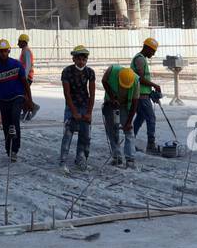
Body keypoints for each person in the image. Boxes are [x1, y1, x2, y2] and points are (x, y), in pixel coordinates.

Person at [0, 39, 34, 161]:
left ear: (9, 51)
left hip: (17, 97)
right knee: (6, 125)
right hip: (3, 100)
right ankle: (8, 148)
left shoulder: (16, 64)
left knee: (15, 119)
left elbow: (25, 83)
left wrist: (29, 100)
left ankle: (15, 149)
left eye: (5, 51)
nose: (3, 53)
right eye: (1, 51)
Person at [59, 45, 95, 173]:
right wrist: (73, 112)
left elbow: (92, 93)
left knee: (85, 135)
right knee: (68, 133)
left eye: (84, 59)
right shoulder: (67, 72)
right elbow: (67, 94)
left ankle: (80, 159)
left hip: (84, 105)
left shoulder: (90, 72)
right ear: (73, 59)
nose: (81, 62)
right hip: (71, 105)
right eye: (79, 59)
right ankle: (62, 162)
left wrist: (89, 112)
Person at [101, 65, 139, 168]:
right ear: (119, 78)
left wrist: (128, 122)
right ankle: (117, 157)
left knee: (129, 131)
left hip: (124, 106)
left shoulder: (135, 81)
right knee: (112, 131)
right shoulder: (112, 70)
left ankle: (130, 159)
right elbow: (104, 81)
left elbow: (135, 103)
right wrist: (112, 97)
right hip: (110, 104)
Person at [131, 37, 164, 155]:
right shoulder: (140, 59)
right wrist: (154, 85)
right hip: (141, 96)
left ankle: (130, 142)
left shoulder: (141, 58)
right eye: (153, 51)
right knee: (151, 118)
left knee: (140, 118)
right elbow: (140, 78)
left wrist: (150, 91)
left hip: (143, 94)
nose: (153, 54)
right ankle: (151, 145)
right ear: (147, 48)